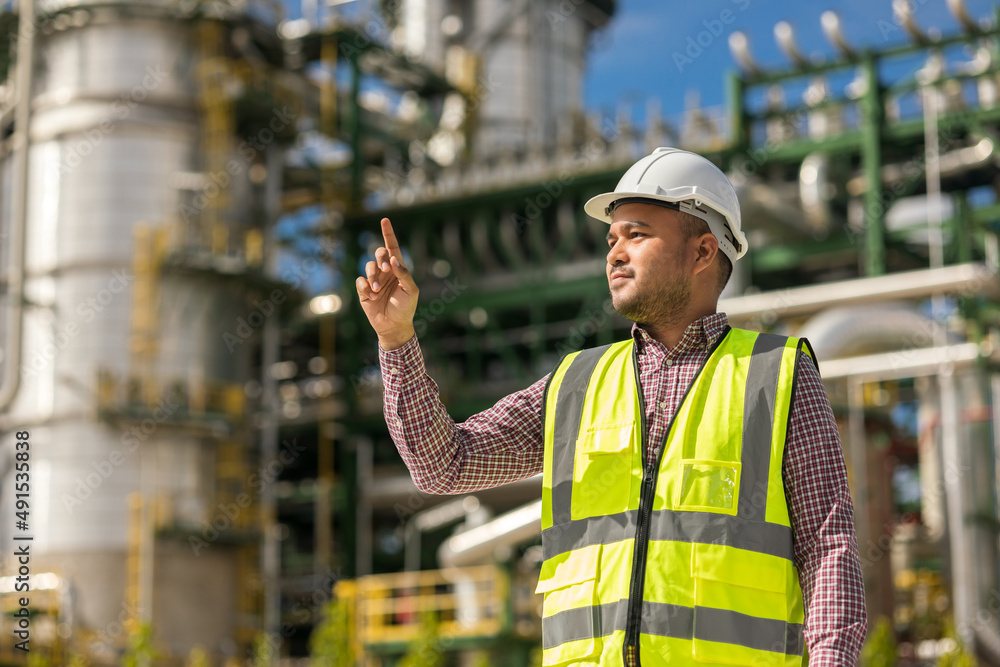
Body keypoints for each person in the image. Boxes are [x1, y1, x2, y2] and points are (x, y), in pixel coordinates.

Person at [355, 147, 867, 666]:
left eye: (637, 234)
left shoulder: (773, 375)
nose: (614, 253)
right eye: (612, 239)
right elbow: (444, 465)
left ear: (703, 251)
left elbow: (828, 546)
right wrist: (397, 341)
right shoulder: (576, 384)